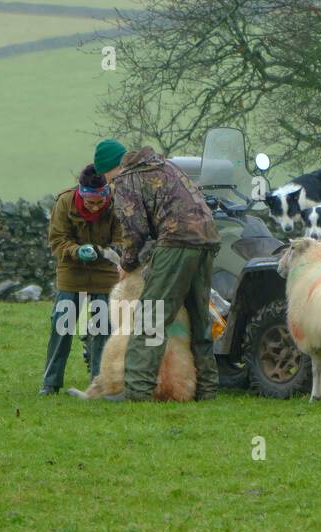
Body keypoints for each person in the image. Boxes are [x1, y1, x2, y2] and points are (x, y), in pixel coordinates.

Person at [94, 138, 220, 401]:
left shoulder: (126, 180)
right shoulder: (164, 165)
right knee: (199, 317)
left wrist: (127, 265)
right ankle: (207, 389)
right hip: (207, 238)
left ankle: (137, 390)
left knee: (151, 316)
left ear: (109, 168)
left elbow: (134, 231)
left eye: (105, 175)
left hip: (177, 241)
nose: (107, 182)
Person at [39, 164, 122, 395]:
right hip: (71, 272)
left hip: (106, 273)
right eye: (90, 202)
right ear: (81, 192)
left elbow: (122, 242)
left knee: (102, 327)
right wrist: (77, 251)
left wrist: (99, 251)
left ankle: (100, 381)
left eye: (99, 201)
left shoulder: (118, 204)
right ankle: (50, 382)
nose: (95, 206)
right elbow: (57, 240)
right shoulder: (64, 202)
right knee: (62, 326)